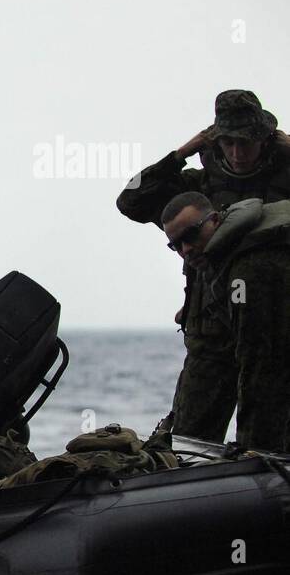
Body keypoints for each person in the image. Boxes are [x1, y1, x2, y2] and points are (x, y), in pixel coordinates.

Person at [118, 90, 290, 441]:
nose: (238, 153)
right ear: (216, 141)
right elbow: (131, 198)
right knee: (189, 438)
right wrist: (182, 153)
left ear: (265, 138)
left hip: (273, 331)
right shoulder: (199, 187)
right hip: (211, 330)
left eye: (247, 142)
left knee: (268, 445)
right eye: (228, 143)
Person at [160, 191, 290, 452]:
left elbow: (261, 365)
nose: (186, 250)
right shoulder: (227, 258)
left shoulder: (247, 271)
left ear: (216, 220)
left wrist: (254, 452)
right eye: (176, 245)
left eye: (192, 235)